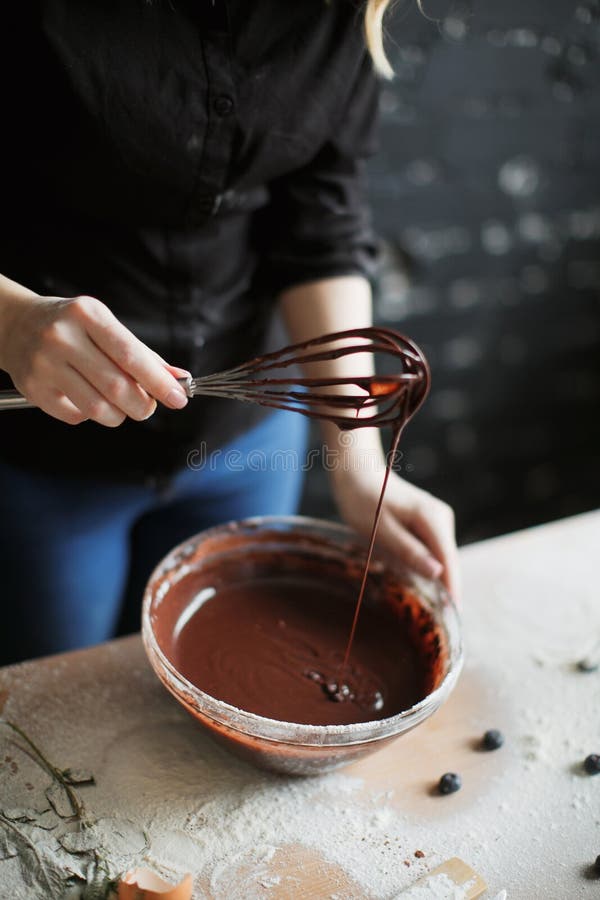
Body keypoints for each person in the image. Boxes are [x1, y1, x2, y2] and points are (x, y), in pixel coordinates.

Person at [0, 1, 459, 667]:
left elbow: (319, 226)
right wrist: (11, 321)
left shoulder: (339, 13)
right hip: (42, 464)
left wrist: (359, 467)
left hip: (248, 449)